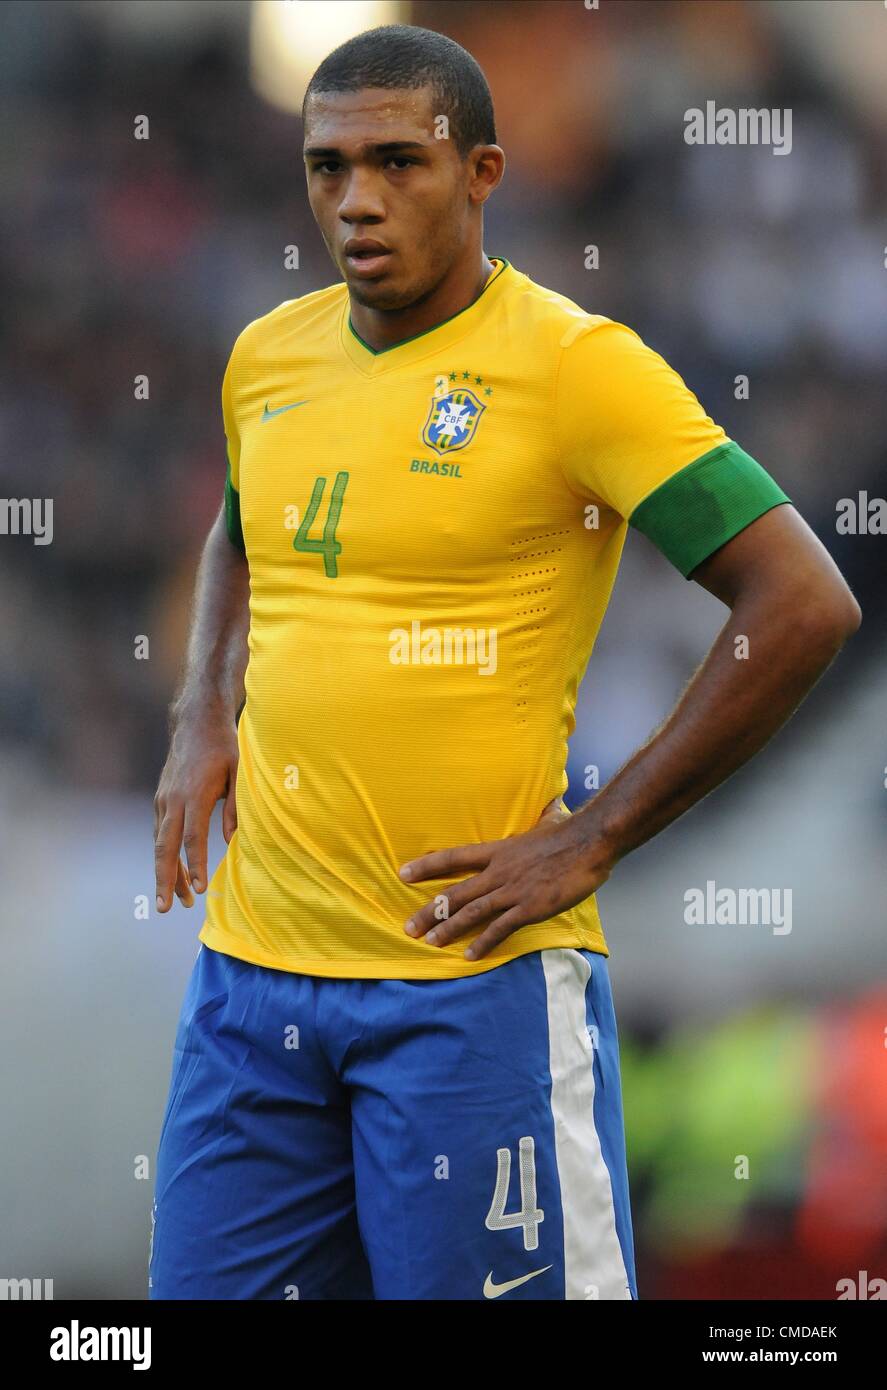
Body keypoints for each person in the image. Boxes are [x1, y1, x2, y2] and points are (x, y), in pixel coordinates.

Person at [149, 24, 860, 1301]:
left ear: (481, 173)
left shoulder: (577, 370)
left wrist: (592, 836)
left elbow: (801, 601)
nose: (355, 200)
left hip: (466, 997)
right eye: (326, 168)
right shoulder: (269, 358)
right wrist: (201, 707)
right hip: (253, 994)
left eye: (396, 164)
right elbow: (242, 529)